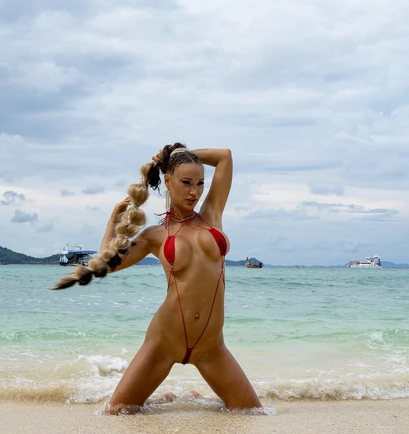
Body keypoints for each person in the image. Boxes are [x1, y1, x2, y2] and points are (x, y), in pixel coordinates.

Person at [54, 143, 261, 414]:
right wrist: (111, 224)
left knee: (252, 413)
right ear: (167, 181)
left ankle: (190, 399)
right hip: (164, 341)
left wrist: (171, 157)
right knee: (117, 412)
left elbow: (225, 156)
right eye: (185, 182)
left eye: (200, 183)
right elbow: (107, 264)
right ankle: (164, 398)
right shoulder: (155, 235)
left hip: (211, 346)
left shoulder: (212, 213)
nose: (194, 191)